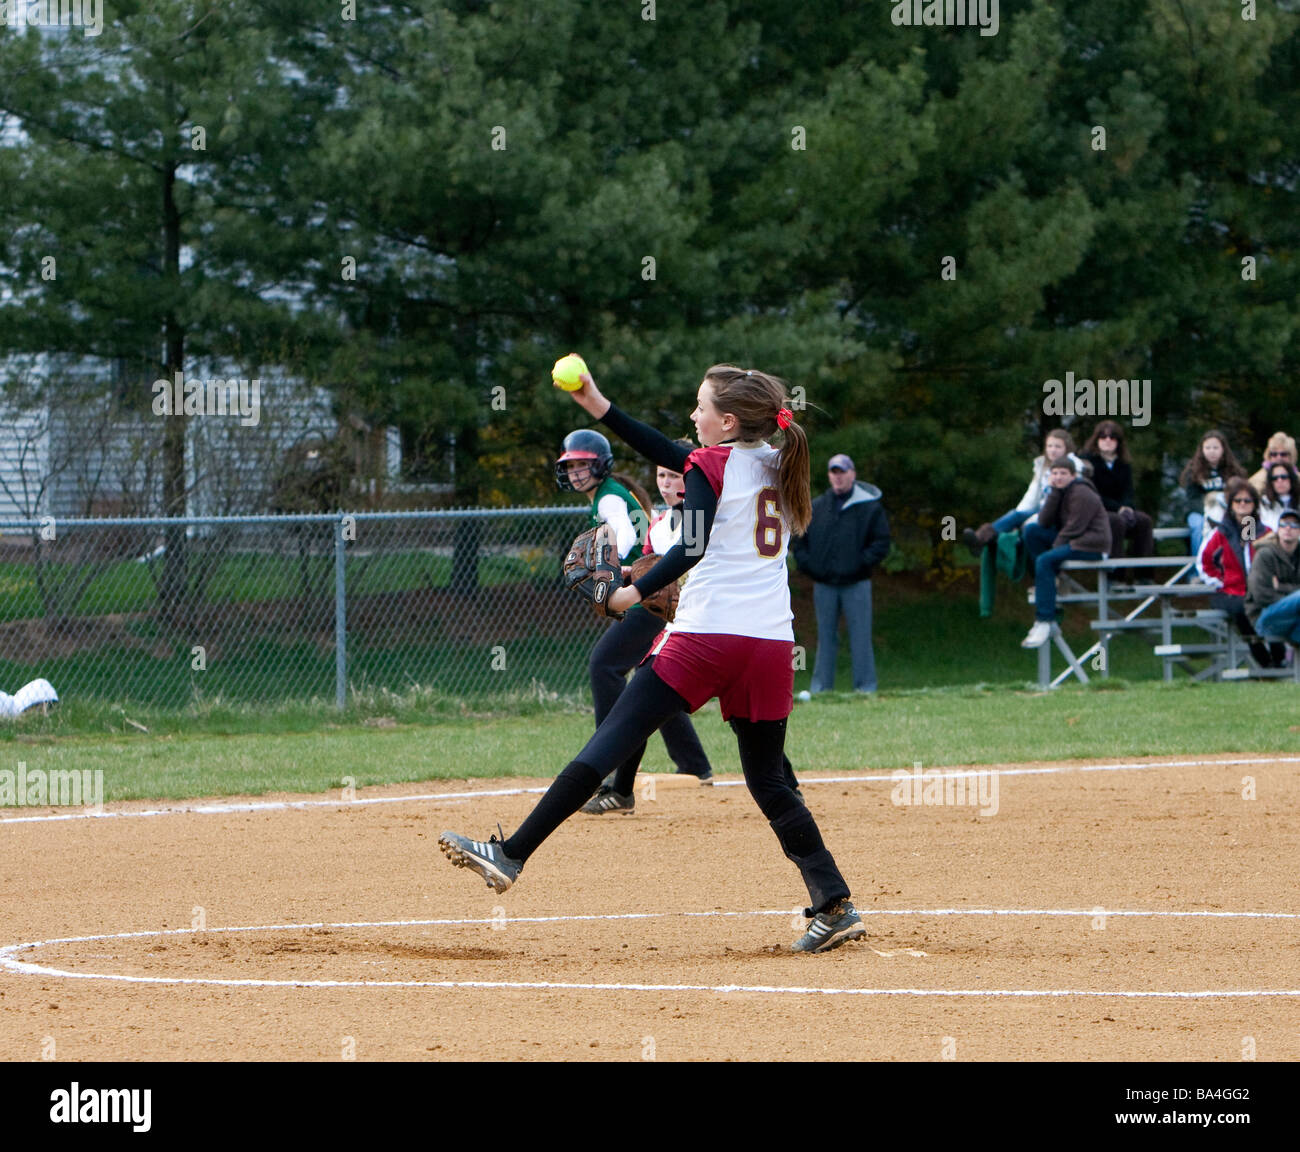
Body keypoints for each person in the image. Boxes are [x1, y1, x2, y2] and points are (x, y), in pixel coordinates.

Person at [440, 363, 866, 954]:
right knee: (769, 779)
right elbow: (671, 450)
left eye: (701, 407)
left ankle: (510, 854)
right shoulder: (781, 462)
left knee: (611, 738)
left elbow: (689, 542)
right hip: (770, 644)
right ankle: (833, 901)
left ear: (729, 421)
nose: (693, 419)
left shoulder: (713, 466)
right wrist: (596, 403)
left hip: (708, 638)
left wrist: (629, 593)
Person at [555, 433, 713, 811]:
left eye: (583, 464)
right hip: (653, 596)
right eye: (571, 466)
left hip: (661, 602)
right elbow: (644, 551)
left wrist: (611, 570)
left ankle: (605, 757)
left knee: (605, 666)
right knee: (654, 682)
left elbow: (622, 535)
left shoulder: (610, 496)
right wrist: (625, 573)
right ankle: (691, 765)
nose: (576, 472)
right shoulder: (657, 520)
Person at [790, 453, 890, 695]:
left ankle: (865, 688)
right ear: (829, 476)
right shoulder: (817, 507)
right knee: (825, 638)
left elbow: (881, 543)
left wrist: (860, 564)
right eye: (834, 472)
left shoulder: (869, 507)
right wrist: (812, 568)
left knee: (861, 637)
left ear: (852, 474)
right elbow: (798, 543)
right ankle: (822, 689)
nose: (838, 477)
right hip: (824, 584)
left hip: (857, 583)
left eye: (843, 472)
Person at [1020, 457, 1110, 648]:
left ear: (1073, 475)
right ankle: (1053, 580)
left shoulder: (1081, 493)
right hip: (1073, 540)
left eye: (1063, 473)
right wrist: (1053, 492)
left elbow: (1074, 529)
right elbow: (1043, 522)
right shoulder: (1060, 491)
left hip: (1092, 544)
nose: (1058, 477)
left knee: (1045, 561)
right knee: (1031, 531)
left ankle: (1044, 620)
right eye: (1055, 473)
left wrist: (1053, 552)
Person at [962, 429, 1089, 554]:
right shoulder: (1042, 465)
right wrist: (1020, 515)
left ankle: (991, 540)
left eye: (1058, 446)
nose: (1053, 450)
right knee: (1016, 515)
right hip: (1043, 508)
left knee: (1028, 526)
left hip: (1060, 514)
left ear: (1066, 448)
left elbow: (1072, 498)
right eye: (1049, 446)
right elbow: (1032, 496)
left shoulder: (1074, 466)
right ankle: (980, 539)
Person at [1198, 478, 1278, 666]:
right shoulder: (1220, 532)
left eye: (1247, 501)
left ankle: (1279, 656)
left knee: (1271, 605)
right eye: (1238, 501)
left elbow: (1250, 558)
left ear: (1254, 505)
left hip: (1258, 590)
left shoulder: (1262, 531)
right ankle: (1265, 662)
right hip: (1229, 592)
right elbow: (1204, 563)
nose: (1243, 504)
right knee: (1244, 608)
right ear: (1231, 504)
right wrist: (1221, 581)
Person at [1081, 419, 1154, 581]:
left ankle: (1144, 575)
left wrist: (1127, 506)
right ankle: (1115, 576)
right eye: (1103, 437)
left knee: (1144, 521)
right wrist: (1118, 508)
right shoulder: (1087, 462)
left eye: (1112, 437)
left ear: (1118, 442)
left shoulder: (1124, 464)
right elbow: (1091, 494)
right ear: (1096, 440)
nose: (1107, 441)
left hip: (1120, 510)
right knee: (1116, 522)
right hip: (1096, 513)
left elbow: (1128, 491)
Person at [1179, 431, 1247, 559]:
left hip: (1228, 510)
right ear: (1202, 450)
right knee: (1198, 526)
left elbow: (1241, 496)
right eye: (1208, 448)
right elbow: (1191, 499)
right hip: (1199, 511)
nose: (1212, 451)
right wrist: (1207, 513)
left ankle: (1242, 565)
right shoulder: (1192, 471)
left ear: (1223, 449)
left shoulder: (1234, 471)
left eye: (1216, 447)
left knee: (1247, 522)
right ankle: (1196, 570)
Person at [1246, 507, 1300, 648]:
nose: (1288, 528)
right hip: (1264, 617)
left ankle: (1289, 661)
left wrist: (1281, 587)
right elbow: (1261, 595)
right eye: (1283, 524)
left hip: (1293, 619)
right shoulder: (1265, 555)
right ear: (1278, 530)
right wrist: (1293, 599)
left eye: (1294, 525)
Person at [1248, 432, 1297, 497]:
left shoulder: (1297, 477)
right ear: (1268, 456)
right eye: (1274, 454)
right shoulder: (1257, 481)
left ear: (1291, 456)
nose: (1279, 458)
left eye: (1283, 454)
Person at [1259, 459, 1298, 533]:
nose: (1279, 480)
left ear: (1291, 478)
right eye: (1275, 478)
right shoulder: (1263, 504)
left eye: (1283, 477)